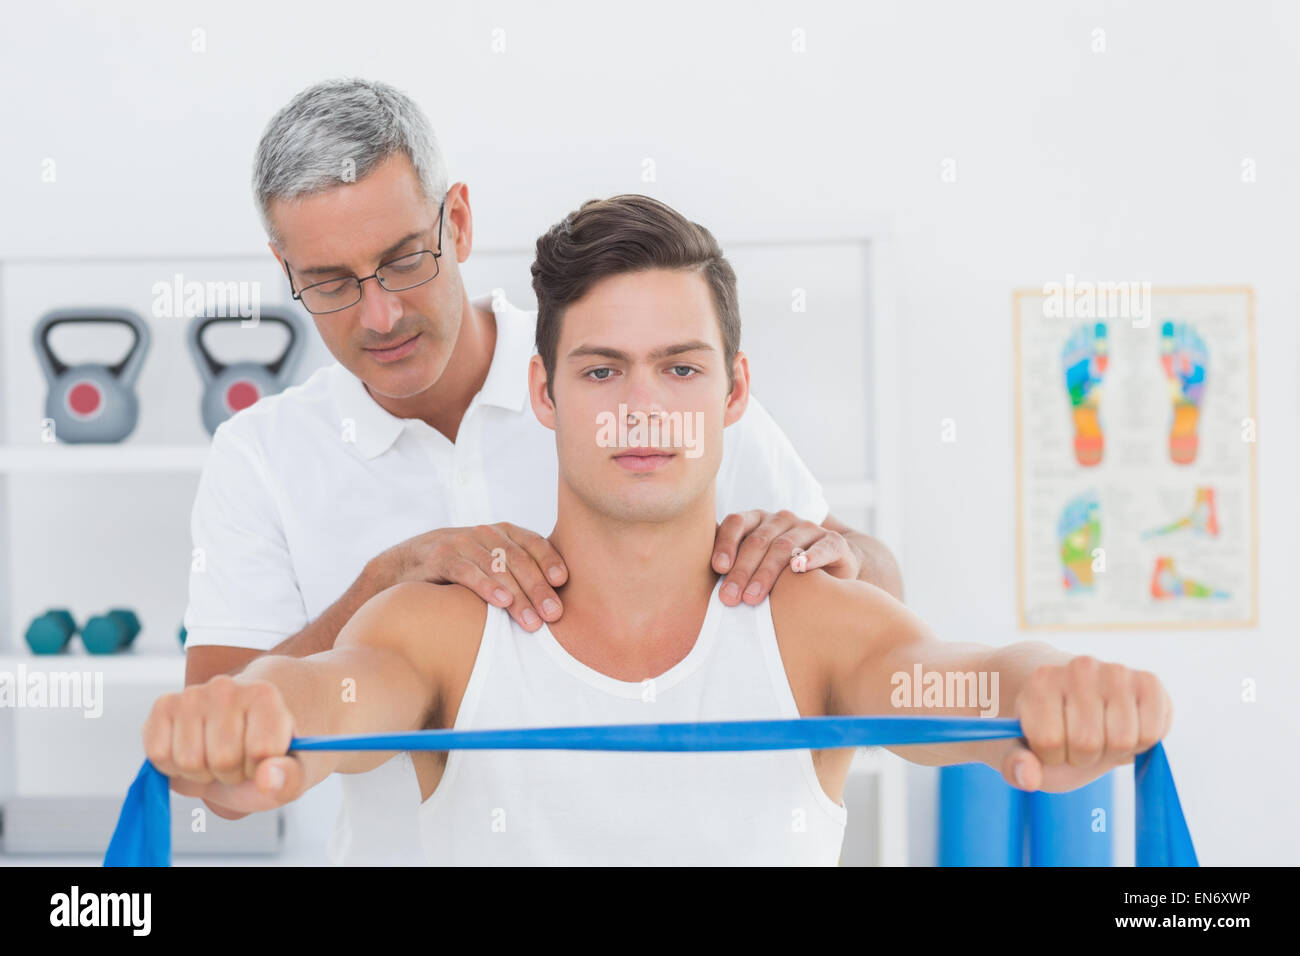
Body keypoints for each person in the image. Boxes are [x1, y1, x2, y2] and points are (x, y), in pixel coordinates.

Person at [152, 194, 1174, 865]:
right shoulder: (441, 627)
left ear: (734, 392)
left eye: (678, 367)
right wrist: (248, 711)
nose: (641, 405)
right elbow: (321, 694)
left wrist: (1045, 682)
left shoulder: (810, 621)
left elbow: (952, 678)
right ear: (544, 393)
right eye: (601, 370)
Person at [183, 78, 903, 863]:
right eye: (329, 283)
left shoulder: (621, 354)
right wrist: (386, 579)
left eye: (402, 261)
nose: (379, 315)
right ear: (284, 268)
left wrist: (836, 555)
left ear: (455, 222)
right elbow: (215, 776)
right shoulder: (260, 455)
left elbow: (874, 600)